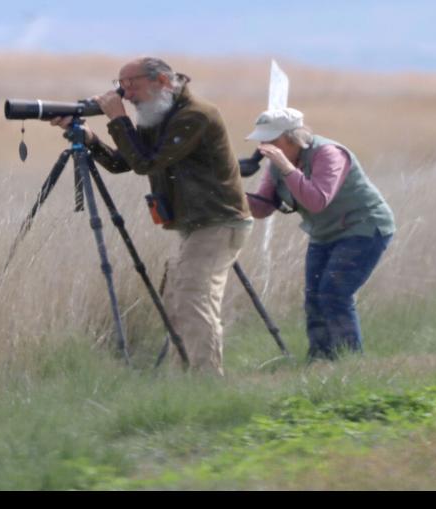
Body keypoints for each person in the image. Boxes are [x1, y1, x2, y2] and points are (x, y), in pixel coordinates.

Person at [51, 57, 252, 377]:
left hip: (217, 222)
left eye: (131, 86)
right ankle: (186, 376)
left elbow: (147, 163)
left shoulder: (195, 115)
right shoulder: (158, 113)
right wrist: (90, 138)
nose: (126, 95)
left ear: (161, 80)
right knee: (176, 299)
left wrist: (117, 118)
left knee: (193, 298)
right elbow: (124, 163)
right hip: (195, 225)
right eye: (120, 87)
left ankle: (206, 381)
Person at [244, 107, 395, 361]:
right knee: (314, 298)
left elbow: (316, 201)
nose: (264, 146)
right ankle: (321, 359)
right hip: (325, 233)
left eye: (271, 139)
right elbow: (261, 209)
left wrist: (285, 167)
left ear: (292, 138)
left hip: (364, 227)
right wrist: (227, 189)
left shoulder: (328, 154)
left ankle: (349, 360)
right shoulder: (276, 165)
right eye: (262, 140)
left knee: (334, 292)